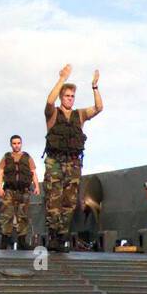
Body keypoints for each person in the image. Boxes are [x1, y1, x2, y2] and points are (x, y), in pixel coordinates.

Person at [43, 63, 103, 249]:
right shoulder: (53, 114)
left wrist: (94, 86)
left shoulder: (80, 115)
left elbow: (99, 107)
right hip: (55, 161)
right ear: (62, 97)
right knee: (54, 199)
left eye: (72, 96)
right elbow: (49, 102)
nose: (70, 99)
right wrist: (62, 79)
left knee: (69, 202)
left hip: (74, 163)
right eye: (67, 96)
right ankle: (53, 235)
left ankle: (62, 236)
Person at [0, 133, 40, 248]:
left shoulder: (27, 157)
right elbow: (0, 173)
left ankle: (22, 242)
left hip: (24, 191)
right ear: (11, 144)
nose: (16, 145)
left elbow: (33, 173)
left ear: (21, 144)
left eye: (18, 143)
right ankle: (4, 242)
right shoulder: (6, 157)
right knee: (7, 216)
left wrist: (37, 186)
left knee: (23, 216)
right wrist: (0, 187)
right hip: (9, 191)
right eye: (14, 143)